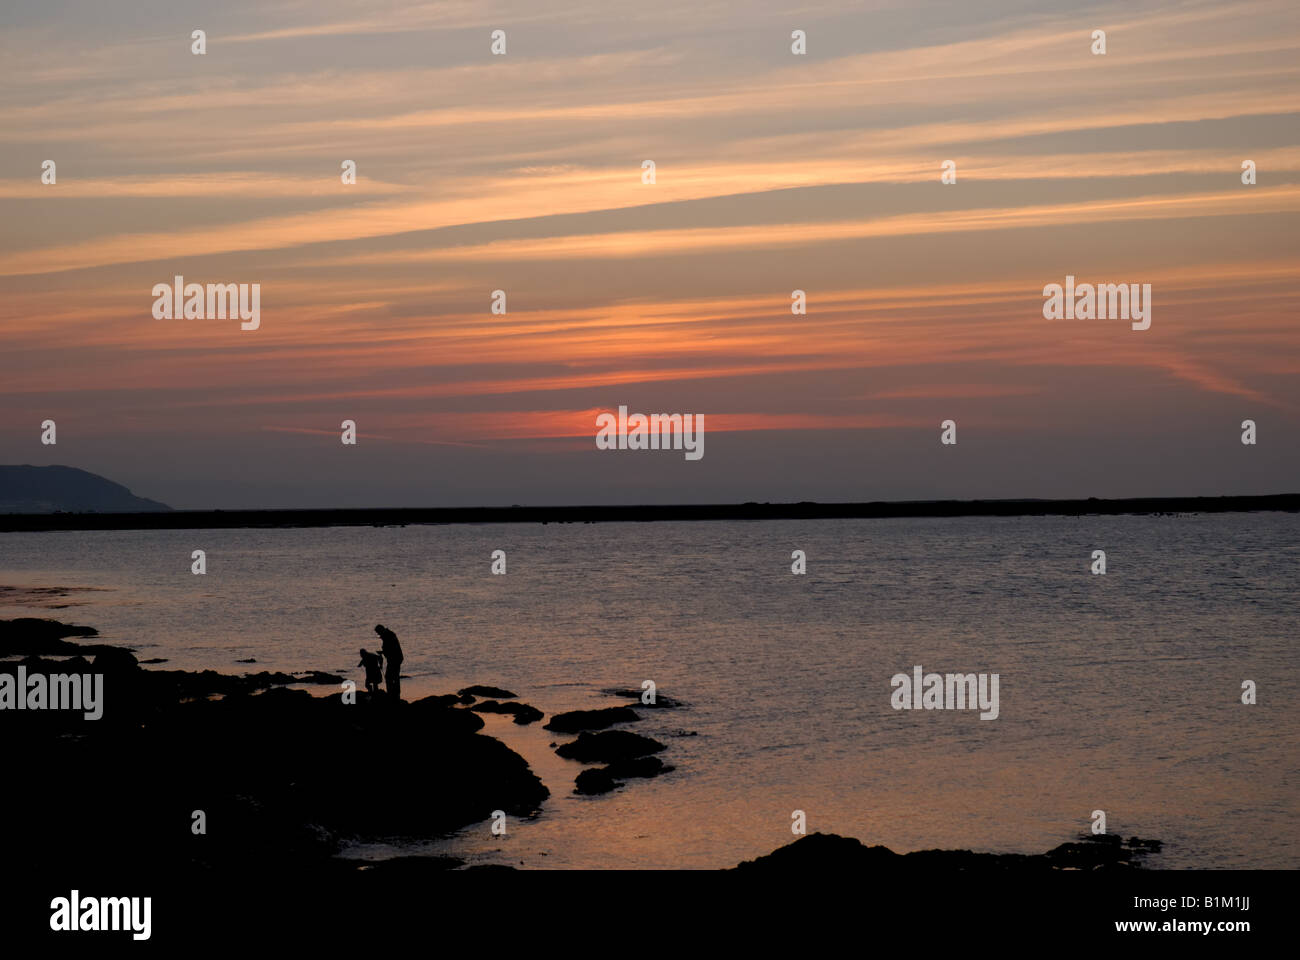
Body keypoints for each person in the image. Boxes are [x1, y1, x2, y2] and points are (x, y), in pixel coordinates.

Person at [374, 624, 403, 701]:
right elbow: (390, 648)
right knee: (394, 677)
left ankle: (392, 694)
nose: (378, 635)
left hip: (395, 659)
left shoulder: (387, 636)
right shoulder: (389, 634)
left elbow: (391, 649)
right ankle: (395, 694)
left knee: (390, 677)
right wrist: (383, 652)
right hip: (396, 658)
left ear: (381, 630)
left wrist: (383, 652)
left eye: (378, 632)